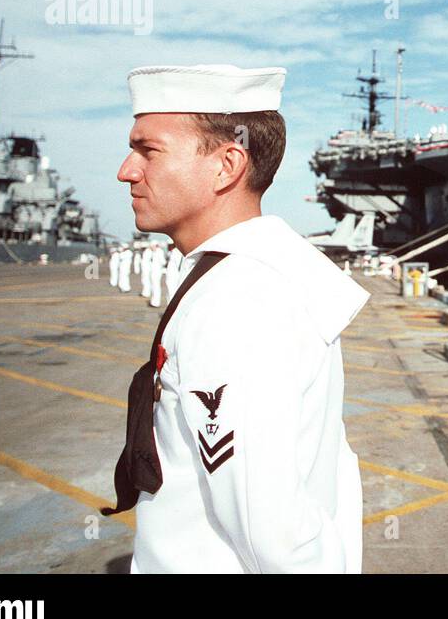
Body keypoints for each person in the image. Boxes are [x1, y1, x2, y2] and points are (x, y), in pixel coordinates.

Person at [103, 63, 370, 574]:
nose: (126, 170)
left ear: (226, 166)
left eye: (148, 150)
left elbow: (275, 533)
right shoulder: (256, 277)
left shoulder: (237, 303)